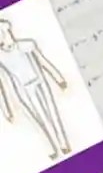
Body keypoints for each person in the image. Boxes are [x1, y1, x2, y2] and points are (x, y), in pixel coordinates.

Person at [0, 17, 70, 159]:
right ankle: (51, 149)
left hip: (39, 82)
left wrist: (59, 79)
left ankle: (63, 144)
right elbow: (2, 85)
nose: (6, 37)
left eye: (6, 32)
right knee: (37, 119)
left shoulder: (26, 45)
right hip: (23, 92)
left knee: (52, 111)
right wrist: (6, 110)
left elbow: (42, 61)